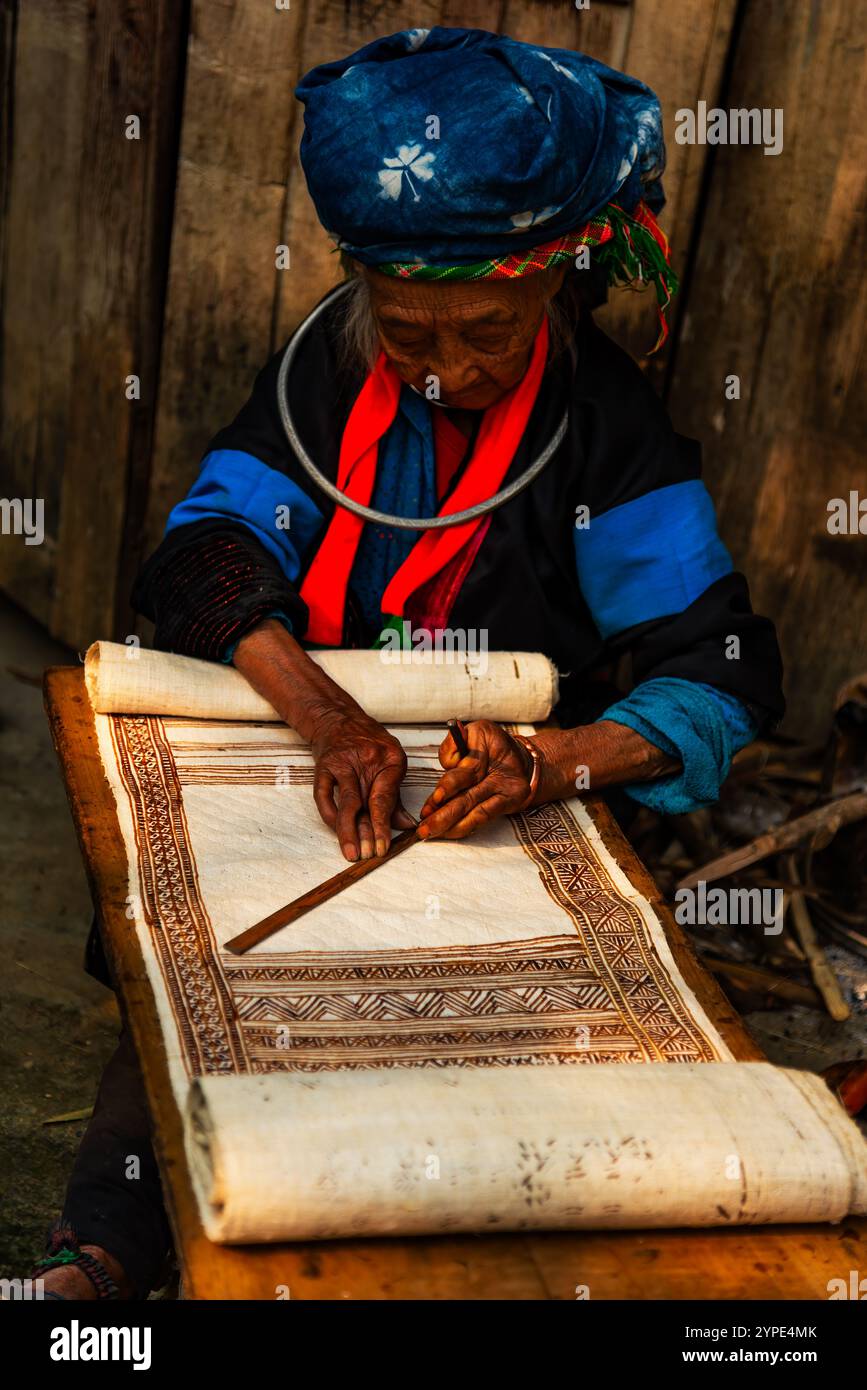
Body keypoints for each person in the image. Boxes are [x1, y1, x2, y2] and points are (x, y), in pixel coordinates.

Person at [35, 27, 783, 1298]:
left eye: (486, 331)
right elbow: (205, 554)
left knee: (495, 1055)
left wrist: (557, 761)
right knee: (212, 987)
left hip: (501, 788)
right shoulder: (317, 377)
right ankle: (95, 1270)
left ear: (554, 284)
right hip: (316, 753)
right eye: (409, 328)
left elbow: (716, 664)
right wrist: (329, 719)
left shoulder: (608, 432)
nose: (442, 370)